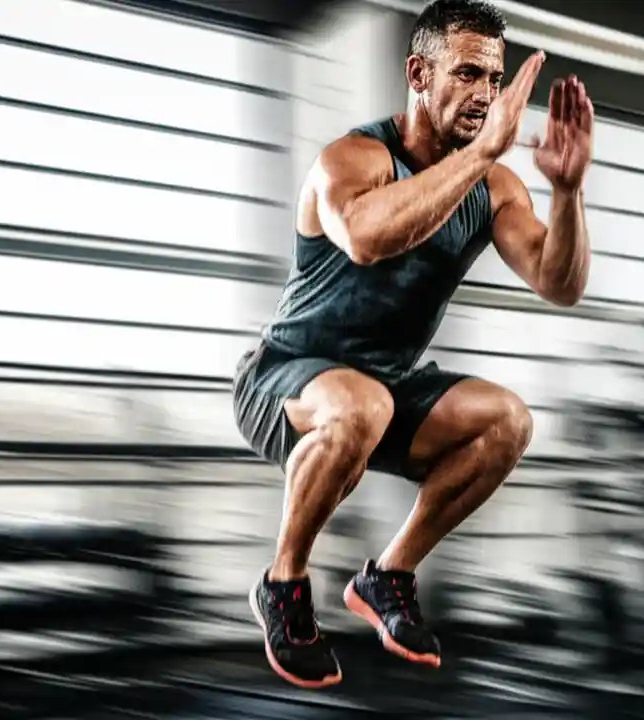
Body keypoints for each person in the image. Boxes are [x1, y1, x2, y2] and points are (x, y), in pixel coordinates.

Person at [233, 0, 594, 688]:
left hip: (388, 389)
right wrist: (485, 151)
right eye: (466, 73)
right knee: (360, 406)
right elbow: (370, 239)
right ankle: (282, 584)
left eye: (494, 79)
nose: (485, 95)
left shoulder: (493, 185)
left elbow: (560, 282)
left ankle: (387, 575)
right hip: (284, 378)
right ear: (418, 72)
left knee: (507, 421)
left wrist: (568, 192)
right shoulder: (353, 157)